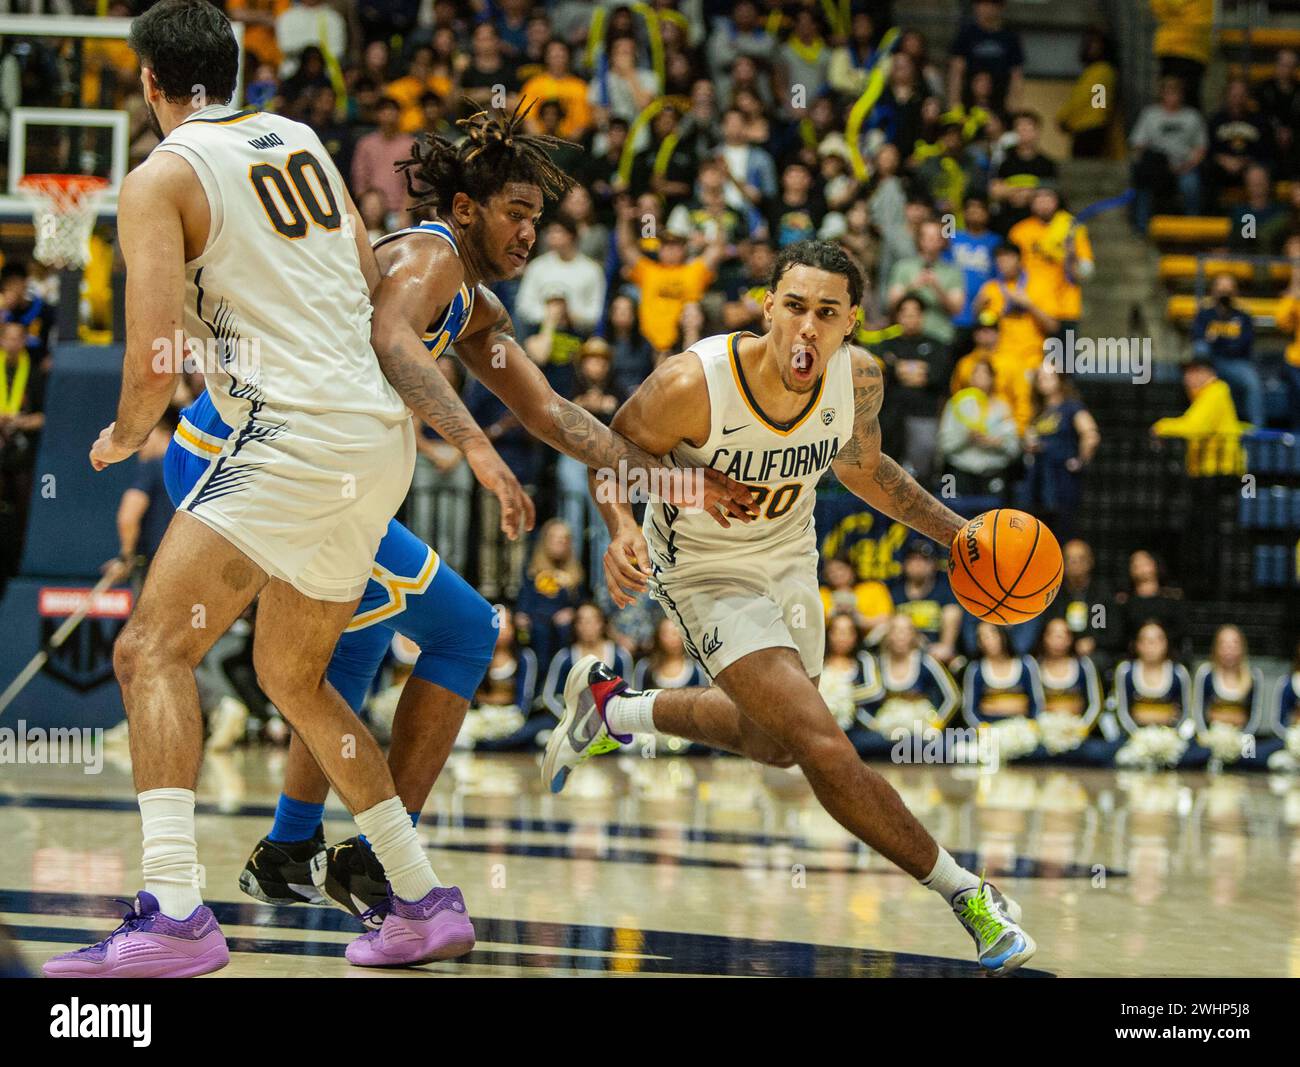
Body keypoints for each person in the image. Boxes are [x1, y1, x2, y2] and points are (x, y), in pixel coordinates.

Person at [157, 99, 752, 941]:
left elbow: (557, 418)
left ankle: (295, 849)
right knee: (464, 629)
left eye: (537, 219)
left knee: (353, 640)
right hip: (239, 453)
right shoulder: (428, 258)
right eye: (515, 213)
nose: (528, 235)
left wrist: (684, 485)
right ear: (465, 209)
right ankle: (369, 860)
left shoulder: (471, 306)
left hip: (300, 469)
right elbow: (394, 340)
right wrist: (473, 445)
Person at [49, 0, 458, 978]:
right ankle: (421, 898)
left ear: (150, 83)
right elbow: (364, 273)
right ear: (229, 72)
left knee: (150, 647)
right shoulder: (304, 138)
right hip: (376, 437)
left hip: (297, 436)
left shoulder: (159, 175)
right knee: (293, 677)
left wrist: (120, 434)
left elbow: (153, 360)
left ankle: (176, 914)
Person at [544, 239, 1037, 975]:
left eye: (827, 313)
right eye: (796, 307)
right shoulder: (694, 382)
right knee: (821, 743)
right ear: (768, 306)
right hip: (704, 569)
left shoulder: (858, 378)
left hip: (788, 555)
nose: (809, 327)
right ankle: (967, 892)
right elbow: (609, 453)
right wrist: (620, 529)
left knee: (772, 742)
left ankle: (613, 711)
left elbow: (866, 469)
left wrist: (959, 534)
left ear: (851, 325)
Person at [1020, 364, 1099, 542]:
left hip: (1061, 477)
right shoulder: (1038, 412)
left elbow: (1091, 435)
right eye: (1040, 378)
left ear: (1060, 379)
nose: (1043, 382)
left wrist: (1080, 461)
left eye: (1049, 377)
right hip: (1038, 480)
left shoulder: (1071, 407)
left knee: (1063, 527)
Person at [1129, 76, 1206, 233]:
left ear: (1182, 95)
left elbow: (1201, 148)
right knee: (1142, 180)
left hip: (1185, 167)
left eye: (1176, 92)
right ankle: (1141, 227)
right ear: (1162, 94)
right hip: (1158, 167)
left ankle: (1193, 228)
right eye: (1168, 92)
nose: (1172, 97)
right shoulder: (1150, 114)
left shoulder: (1192, 116)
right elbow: (1137, 145)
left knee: (1191, 185)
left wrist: (1185, 167)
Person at [1189, 274, 1262, 430]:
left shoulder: (1243, 316)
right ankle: (1197, 423)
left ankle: (1257, 432)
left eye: (1228, 289)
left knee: (1252, 382)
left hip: (1236, 363)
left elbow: (1243, 344)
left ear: (1235, 292)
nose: (1224, 293)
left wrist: (1217, 339)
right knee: (1200, 351)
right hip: (1210, 363)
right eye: (1221, 289)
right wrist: (1225, 341)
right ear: (1213, 291)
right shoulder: (1205, 315)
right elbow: (1198, 339)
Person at [1113, 620, 1192, 734]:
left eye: (1156, 640)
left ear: (1166, 643)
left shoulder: (1179, 673)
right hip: (1133, 738)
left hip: (1171, 739)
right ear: (1137, 644)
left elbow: (1186, 713)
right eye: (1145, 640)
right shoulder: (1125, 671)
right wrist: (1140, 737)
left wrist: (1171, 736)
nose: (1150, 646)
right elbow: (1122, 713)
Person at [960, 622, 1044, 727]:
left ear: (1003, 634)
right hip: (988, 731)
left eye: (992, 633)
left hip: (1022, 728)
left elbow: (1037, 702)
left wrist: (1031, 726)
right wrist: (983, 729)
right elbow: (969, 709)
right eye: (982, 637)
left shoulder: (1026, 664)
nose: (988, 640)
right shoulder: (975, 669)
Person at [947, 0, 1024, 115]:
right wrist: (954, 102)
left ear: (1000, 8)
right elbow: (956, 70)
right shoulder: (966, 33)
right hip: (970, 98)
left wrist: (1014, 103)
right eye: (981, 5)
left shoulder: (1010, 36)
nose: (985, 9)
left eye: (990, 5)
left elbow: (1016, 74)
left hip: (999, 98)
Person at [1191, 624, 1264, 736]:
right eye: (1223, 644)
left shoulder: (1254, 676)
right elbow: (1198, 712)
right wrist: (1207, 737)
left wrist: (1242, 738)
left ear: (1242, 647)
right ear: (1215, 647)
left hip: (1242, 739)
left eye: (1234, 644)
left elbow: (1255, 717)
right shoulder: (1206, 673)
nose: (1229, 649)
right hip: (1210, 738)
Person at [632, 617, 708, 692]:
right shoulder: (644, 668)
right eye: (666, 634)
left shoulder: (698, 670)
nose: (672, 639)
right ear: (658, 636)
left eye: (676, 633)